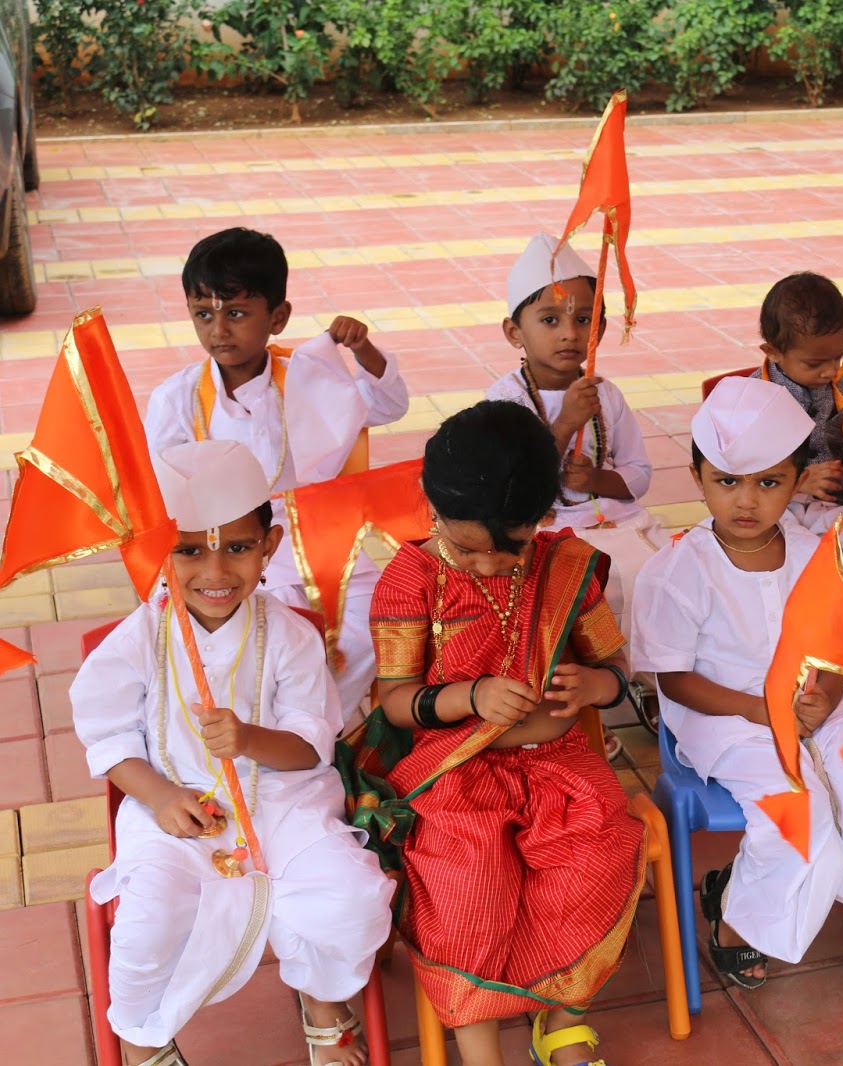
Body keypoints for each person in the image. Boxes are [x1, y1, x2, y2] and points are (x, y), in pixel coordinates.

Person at [71, 439, 394, 1066]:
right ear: (158, 551)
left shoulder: (292, 636)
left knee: (349, 897)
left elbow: (309, 749)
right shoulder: (140, 637)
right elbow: (108, 737)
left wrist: (248, 739)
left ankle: (322, 998)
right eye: (189, 550)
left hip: (283, 804)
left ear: (269, 547)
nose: (215, 573)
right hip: (175, 813)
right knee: (146, 920)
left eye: (237, 548)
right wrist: (161, 796)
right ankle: (142, 1037)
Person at [631, 377, 843, 1018]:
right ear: (697, 477)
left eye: (769, 482)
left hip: (817, 707)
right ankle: (736, 909)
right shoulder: (676, 569)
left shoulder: (815, 553)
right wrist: (758, 710)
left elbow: (838, 646)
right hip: (726, 717)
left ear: (797, 481)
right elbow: (673, 680)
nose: (746, 500)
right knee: (801, 811)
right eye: (727, 481)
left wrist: (827, 691)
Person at [363, 400, 644, 1066]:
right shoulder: (410, 578)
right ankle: (480, 1048)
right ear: (433, 510)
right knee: (467, 892)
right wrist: (470, 696)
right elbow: (395, 702)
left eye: (509, 548)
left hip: (561, 764)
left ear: (541, 518)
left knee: (594, 859)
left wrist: (594, 686)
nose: (489, 566)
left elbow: (616, 669)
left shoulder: (566, 567)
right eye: (467, 548)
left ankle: (563, 1023)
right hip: (454, 773)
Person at [146, 227, 410, 730]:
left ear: (278, 317)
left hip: (321, 538)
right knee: (262, 643)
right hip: (227, 547)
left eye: (236, 313)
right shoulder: (176, 398)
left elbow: (388, 405)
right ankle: (276, 735)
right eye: (203, 314)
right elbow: (164, 490)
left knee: (380, 620)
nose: (218, 330)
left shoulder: (309, 374)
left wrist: (364, 351)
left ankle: (317, 733)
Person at [487, 232, 665, 648]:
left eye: (583, 320)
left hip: (614, 521)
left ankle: (646, 670)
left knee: (660, 575)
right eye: (550, 320)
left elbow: (639, 473)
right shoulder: (504, 400)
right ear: (514, 332)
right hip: (539, 533)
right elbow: (509, 488)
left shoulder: (606, 394)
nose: (569, 333)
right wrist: (565, 423)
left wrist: (597, 481)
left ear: (599, 329)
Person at [751, 272, 843, 596]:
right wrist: (795, 482)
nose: (830, 370)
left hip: (834, 505)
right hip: (772, 508)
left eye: (838, 357)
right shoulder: (750, 396)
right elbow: (736, 469)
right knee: (776, 567)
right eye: (815, 363)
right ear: (773, 351)